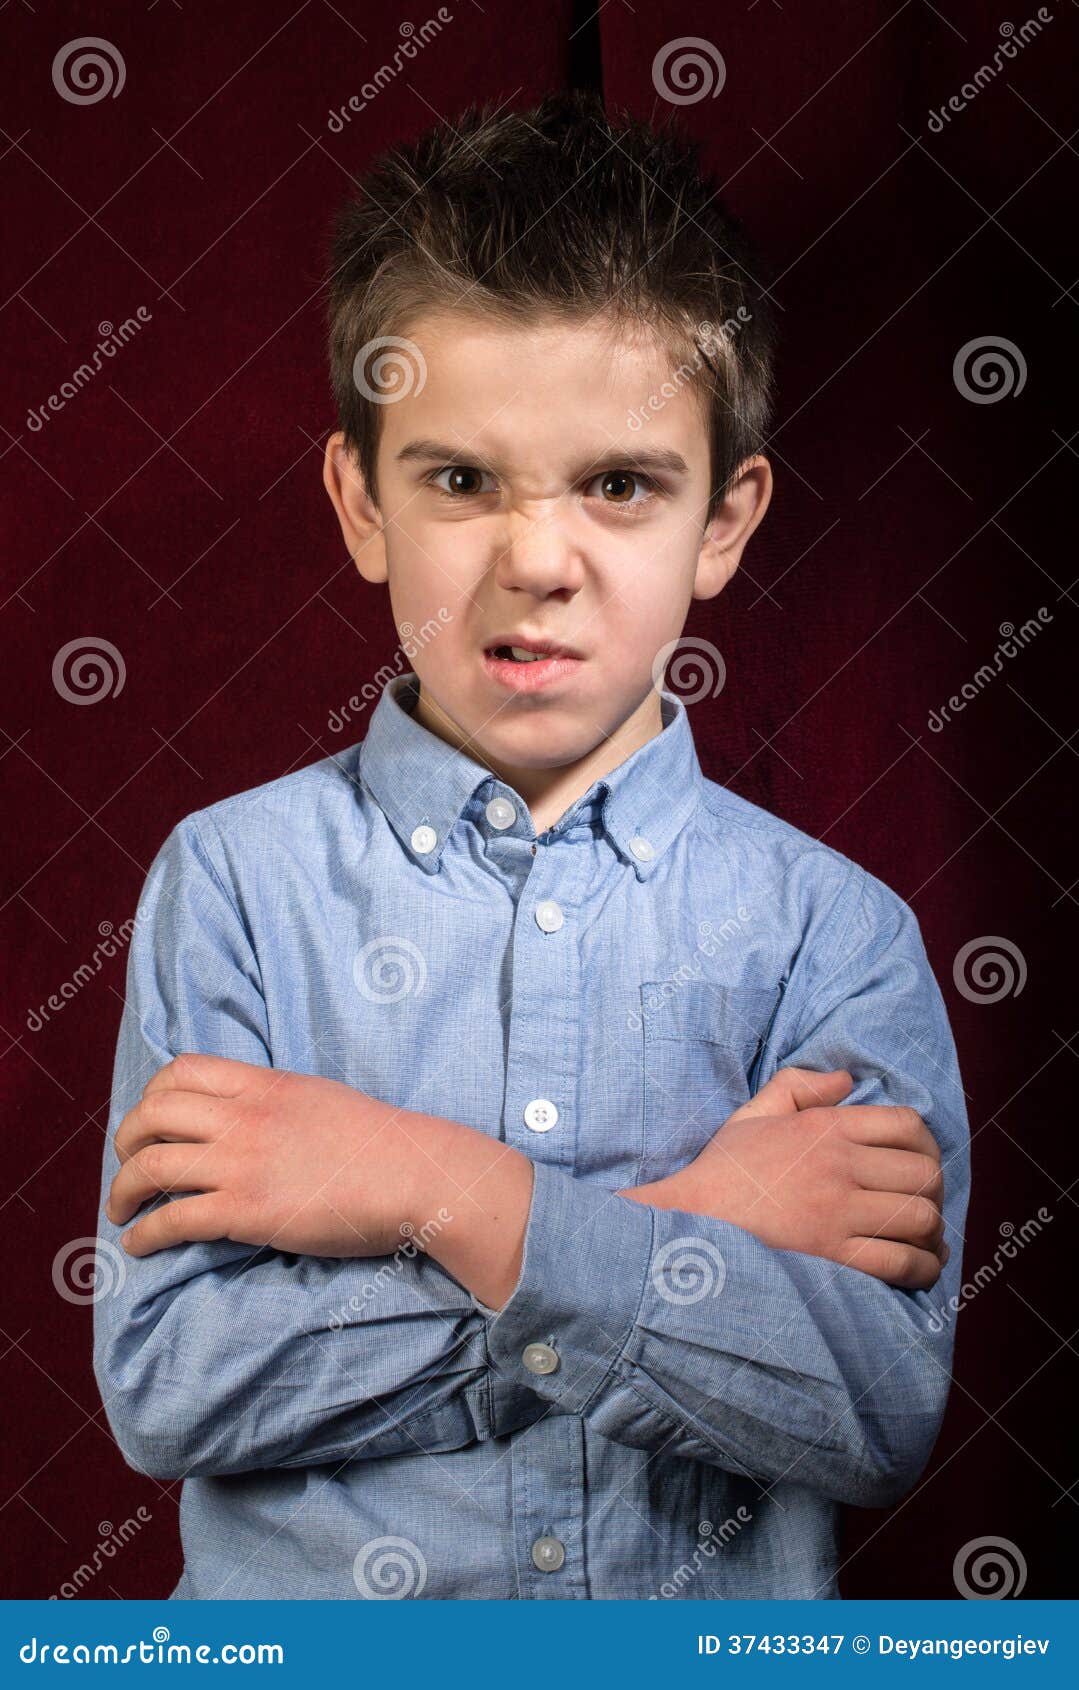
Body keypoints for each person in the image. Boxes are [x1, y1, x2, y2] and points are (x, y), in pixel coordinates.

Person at [92, 90, 969, 1601]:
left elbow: (872, 1410)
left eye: (618, 485)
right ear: (362, 502)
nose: (539, 560)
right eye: (459, 480)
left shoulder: (835, 935)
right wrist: (687, 1233)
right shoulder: (232, 885)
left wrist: (430, 1186)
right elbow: (177, 1383)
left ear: (723, 521)